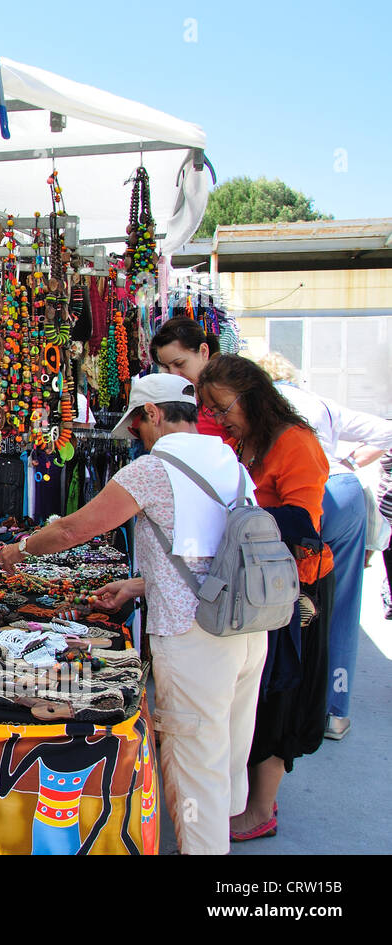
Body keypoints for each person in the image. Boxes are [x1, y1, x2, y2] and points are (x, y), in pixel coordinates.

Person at [0, 373, 265, 855]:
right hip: (244, 626)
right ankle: (214, 839)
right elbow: (211, 552)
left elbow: (72, 531)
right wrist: (138, 585)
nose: (137, 436)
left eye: (138, 425)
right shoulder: (229, 461)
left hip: (194, 634)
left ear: (154, 414)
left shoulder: (153, 469)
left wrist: (20, 549)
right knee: (224, 751)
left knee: (195, 761)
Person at [197, 354, 334, 842]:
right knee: (256, 696)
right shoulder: (243, 441)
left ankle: (261, 810)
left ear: (252, 396)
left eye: (222, 407)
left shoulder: (294, 443)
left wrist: (240, 521)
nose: (219, 418)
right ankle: (250, 802)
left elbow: (305, 525)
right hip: (258, 584)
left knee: (279, 699)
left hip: (293, 587)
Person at [256, 352, 392, 741]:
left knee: (286, 599)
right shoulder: (321, 404)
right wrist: (343, 458)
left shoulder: (261, 403)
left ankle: (287, 703)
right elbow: (385, 432)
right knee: (341, 603)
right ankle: (335, 709)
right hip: (342, 489)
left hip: (295, 499)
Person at [149, 316, 232, 442]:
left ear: (203, 352)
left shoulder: (228, 396)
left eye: (180, 364)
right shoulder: (173, 402)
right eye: (166, 367)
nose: (174, 374)